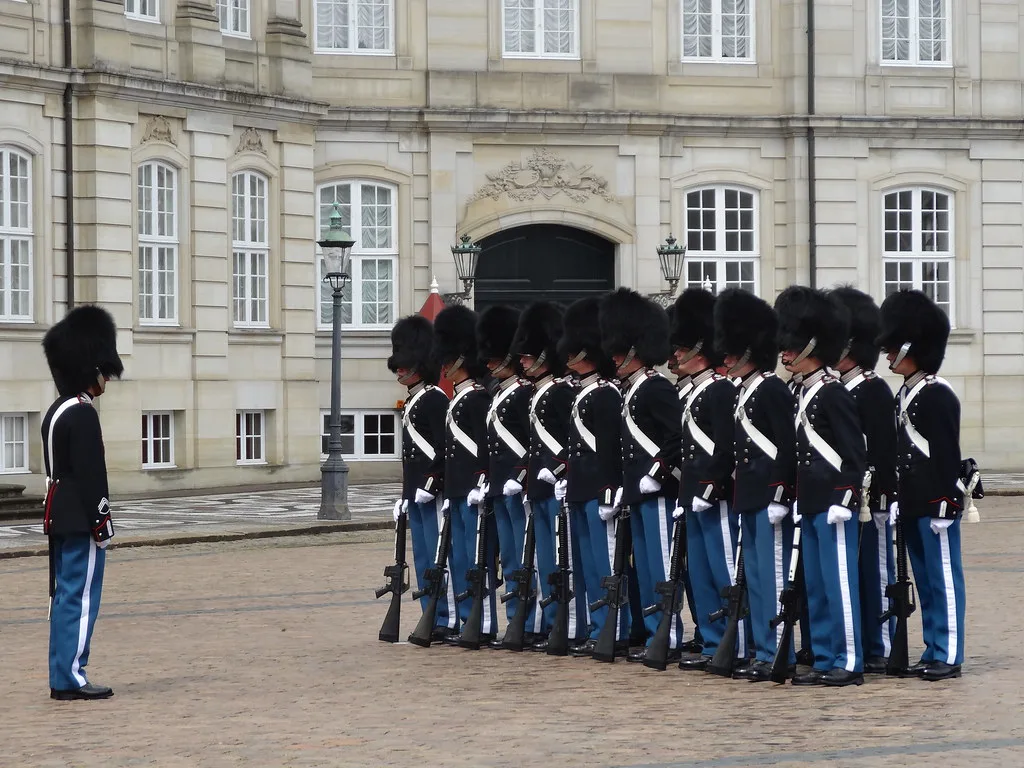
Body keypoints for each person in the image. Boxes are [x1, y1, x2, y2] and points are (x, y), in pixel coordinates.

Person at [776, 286, 867, 687]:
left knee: (838, 586)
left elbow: (854, 451)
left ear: (809, 345)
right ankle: (827, 656)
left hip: (833, 502)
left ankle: (848, 661)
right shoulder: (803, 391)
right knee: (816, 587)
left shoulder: (832, 393)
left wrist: (845, 496)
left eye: (790, 346)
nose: (784, 353)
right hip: (809, 502)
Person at [876, 289, 965, 681]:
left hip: (934, 503)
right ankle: (932, 648)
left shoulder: (936, 395)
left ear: (911, 346)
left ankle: (949, 653)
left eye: (893, 346)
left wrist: (947, 502)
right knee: (926, 582)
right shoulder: (906, 393)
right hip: (912, 502)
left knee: (942, 579)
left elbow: (946, 454)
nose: (887, 353)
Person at [712, 288, 797, 681]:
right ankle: (763, 648)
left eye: (732, 353)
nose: (725, 359)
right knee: (757, 578)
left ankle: (778, 651)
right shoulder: (744, 391)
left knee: (773, 577)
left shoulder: (773, 390)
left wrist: (780, 492)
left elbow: (786, 446)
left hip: (768, 497)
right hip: (748, 495)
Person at [42, 305, 124, 700]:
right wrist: (102, 522)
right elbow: (92, 475)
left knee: (64, 597)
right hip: (80, 517)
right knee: (80, 597)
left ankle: (62, 674)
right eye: (102, 369)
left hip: (59, 513)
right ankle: (72, 677)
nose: (106, 377)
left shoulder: (57, 410)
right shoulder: (83, 413)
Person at [597, 288, 683, 665]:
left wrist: (657, 473)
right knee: (644, 568)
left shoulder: (657, 387)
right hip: (637, 492)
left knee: (662, 567)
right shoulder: (632, 390)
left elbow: (675, 439)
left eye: (620, 351)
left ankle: (670, 635)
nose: (614, 358)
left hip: (659, 491)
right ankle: (652, 632)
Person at [669, 289, 744, 672]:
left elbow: (726, 447)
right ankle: (713, 638)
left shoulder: (720, 390)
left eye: (681, 349)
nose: (675, 356)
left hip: (715, 496)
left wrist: (710, 487)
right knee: (699, 572)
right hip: (692, 494)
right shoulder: (693, 391)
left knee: (724, 569)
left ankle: (737, 641)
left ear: (699, 350)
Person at [830, 286, 897, 674]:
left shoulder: (872, 388)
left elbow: (881, 450)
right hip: (841, 495)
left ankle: (879, 644)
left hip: (870, 500)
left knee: (875, 573)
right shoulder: (836, 388)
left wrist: (878, 496)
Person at [557, 296, 625, 657]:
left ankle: (611, 628)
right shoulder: (581, 392)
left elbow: (611, 449)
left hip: (599, 491)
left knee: (604, 564)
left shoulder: (606, 394)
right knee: (584, 565)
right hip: (580, 488)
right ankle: (594, 627)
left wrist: (610, 489)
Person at [511, 301, 576, 651]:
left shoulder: (562, 392)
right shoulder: (538, 393)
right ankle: (549, 621)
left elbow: (571, 441)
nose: (520, 360)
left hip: (556, 488)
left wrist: (561, 472)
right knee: (542, 561)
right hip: (537, 486)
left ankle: (561, 623)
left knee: (558, 561)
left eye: (527, 354)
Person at [430, 305, 494, 645]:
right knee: (458, 557)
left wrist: (481, 481)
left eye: (449, 359)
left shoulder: (478, 399)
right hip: (456, 488)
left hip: (472, 487)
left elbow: (484, 446)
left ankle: (481, 621)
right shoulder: (459, 399)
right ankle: (465, 616)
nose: (444, 366)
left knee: (475, 557)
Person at [387, 314, 454, 641]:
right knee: (423, 556)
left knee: (438, 558)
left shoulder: (435, 399)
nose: (399, 368)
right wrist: (405, 494)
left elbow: (444, 450)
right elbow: (409, 458)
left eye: (405, 362)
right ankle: (431, 612)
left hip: (433, 492)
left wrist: (430, 485)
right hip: (416, 493)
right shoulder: (415, 399)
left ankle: (443, 616)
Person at [475, 305, 536, 649]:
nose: (488, 363)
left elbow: (537, 442)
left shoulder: (525, 393)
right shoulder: (499, 392)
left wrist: (519, 475)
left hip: (518, 484)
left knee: (526, 558)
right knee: (509, 557)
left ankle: (528, 619)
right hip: (500, 485)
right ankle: (515, 617)